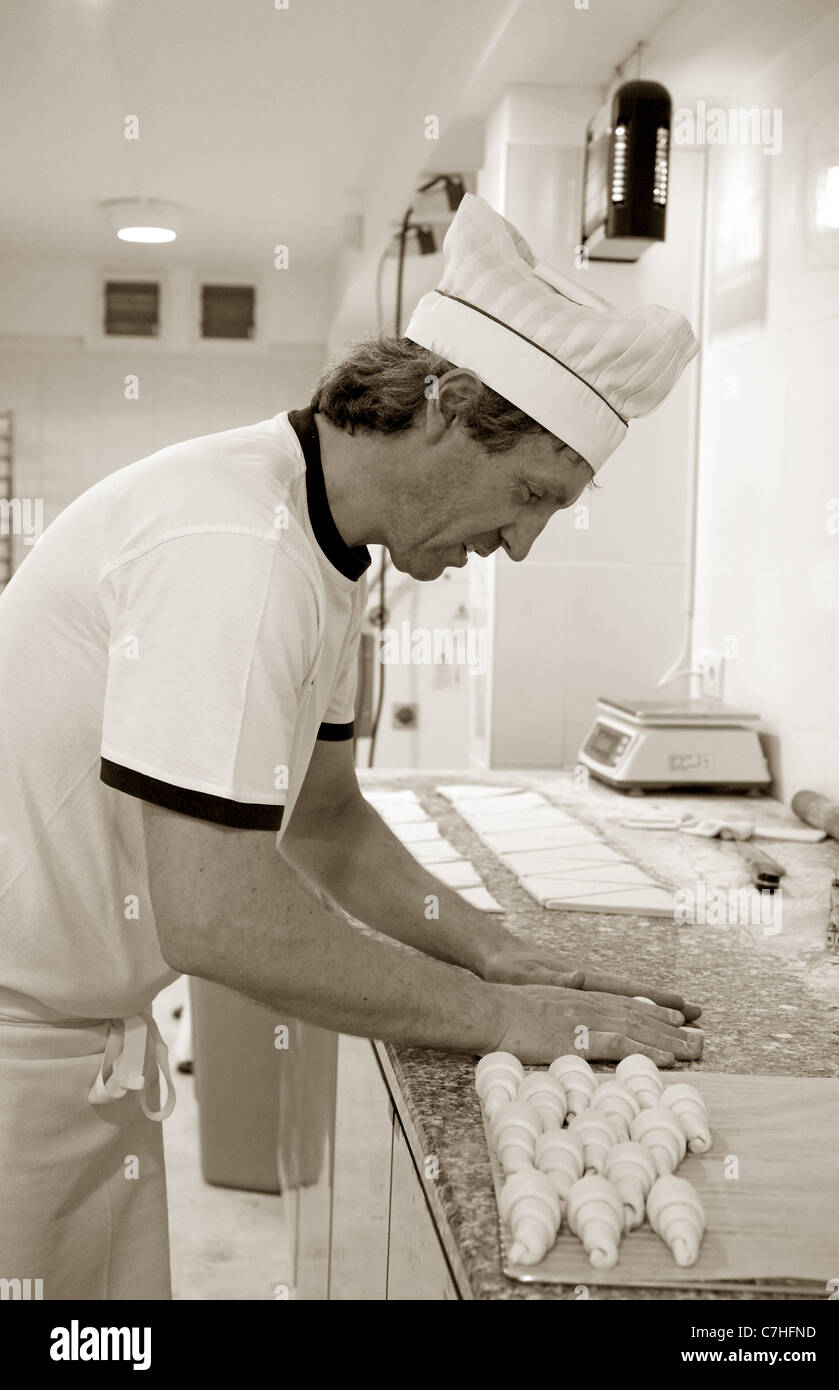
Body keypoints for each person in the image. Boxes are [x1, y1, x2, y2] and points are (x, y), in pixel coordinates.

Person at [0, 195, 700, 1299]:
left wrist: (484, 945)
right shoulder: (234, 546)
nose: (518, 545)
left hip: (75, 1054)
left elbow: (328, 823)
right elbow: (217, 913)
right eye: (528, 494)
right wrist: (505, 1021)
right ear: (443, 408)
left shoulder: (329, 557)